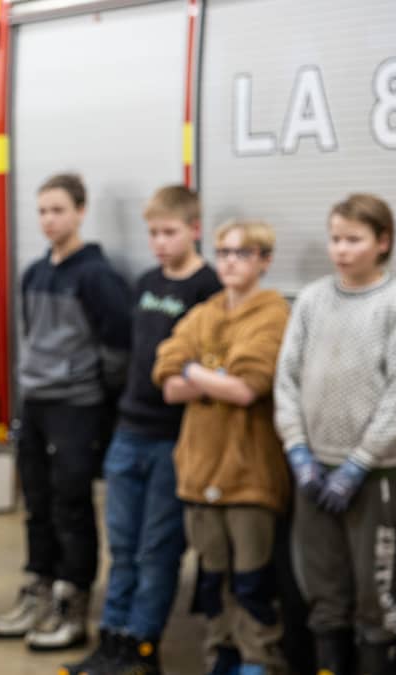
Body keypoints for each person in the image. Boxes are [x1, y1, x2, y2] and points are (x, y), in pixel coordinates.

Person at [62, 186, 222, 675]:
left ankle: (141, 645)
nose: (159, 243)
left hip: (172, 437)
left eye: (170, 232)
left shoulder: (208, 287)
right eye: (153, 233)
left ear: (194, 230)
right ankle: (111, 641)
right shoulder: (148, 281)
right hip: (128, 430)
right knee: (124, 546)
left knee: (158, 548)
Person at [274, 194, 396, 675]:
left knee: (374, 594)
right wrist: (297, 448)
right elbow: (286, 378)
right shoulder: (314, 299)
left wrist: (361, 461)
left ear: (382, 242)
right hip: (314, 470)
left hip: (373, 475)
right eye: (335, 238)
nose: (341, 250)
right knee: (322, 590)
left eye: (353, 240)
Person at [0, 173, 132, 650]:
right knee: (37, 503)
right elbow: (32, 336)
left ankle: (73, 605)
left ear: (80, 211)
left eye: (58, 210)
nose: (49, 220)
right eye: (43, 210)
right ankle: (39, 589)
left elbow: (118, 343)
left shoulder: (95, 275)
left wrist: (89, 385)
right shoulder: (35, 273)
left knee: (71, 503)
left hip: (78, 406)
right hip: (37, 402)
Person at [153, 219, 291, 675]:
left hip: (249, 474)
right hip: (198, 470)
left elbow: (249, 386)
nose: (230, 262)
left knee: (252, 581)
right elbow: (167, 378)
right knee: (213, 580)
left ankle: (259, 661)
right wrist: (209, 375)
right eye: (224, 253)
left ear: (264, 261)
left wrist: (194, 371)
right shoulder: (204, 312)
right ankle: (221, 656)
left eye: (243, 253)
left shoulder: (273, 314)